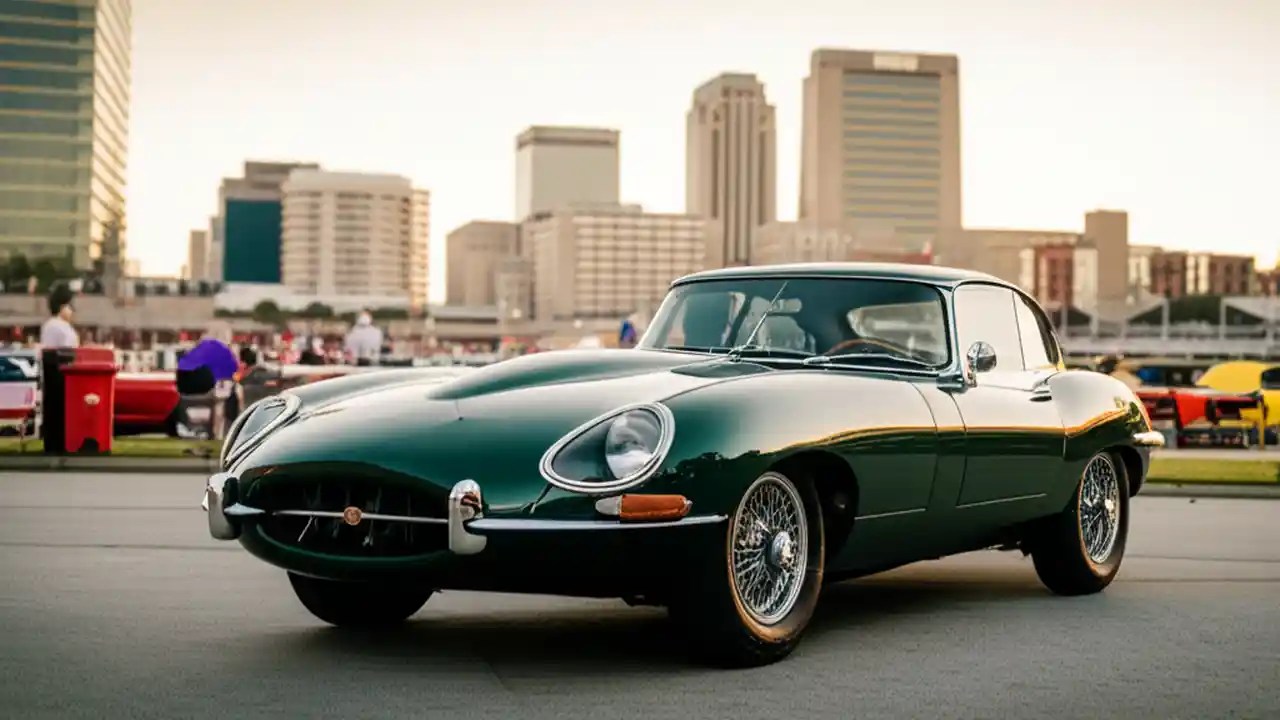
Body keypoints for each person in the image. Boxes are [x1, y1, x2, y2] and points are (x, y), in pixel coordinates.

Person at [39, 284, 78, 349]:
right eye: (70, 306)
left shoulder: (48, 324)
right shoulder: (63, 327)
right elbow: (70, 351)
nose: (73, 311)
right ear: (62, 307)